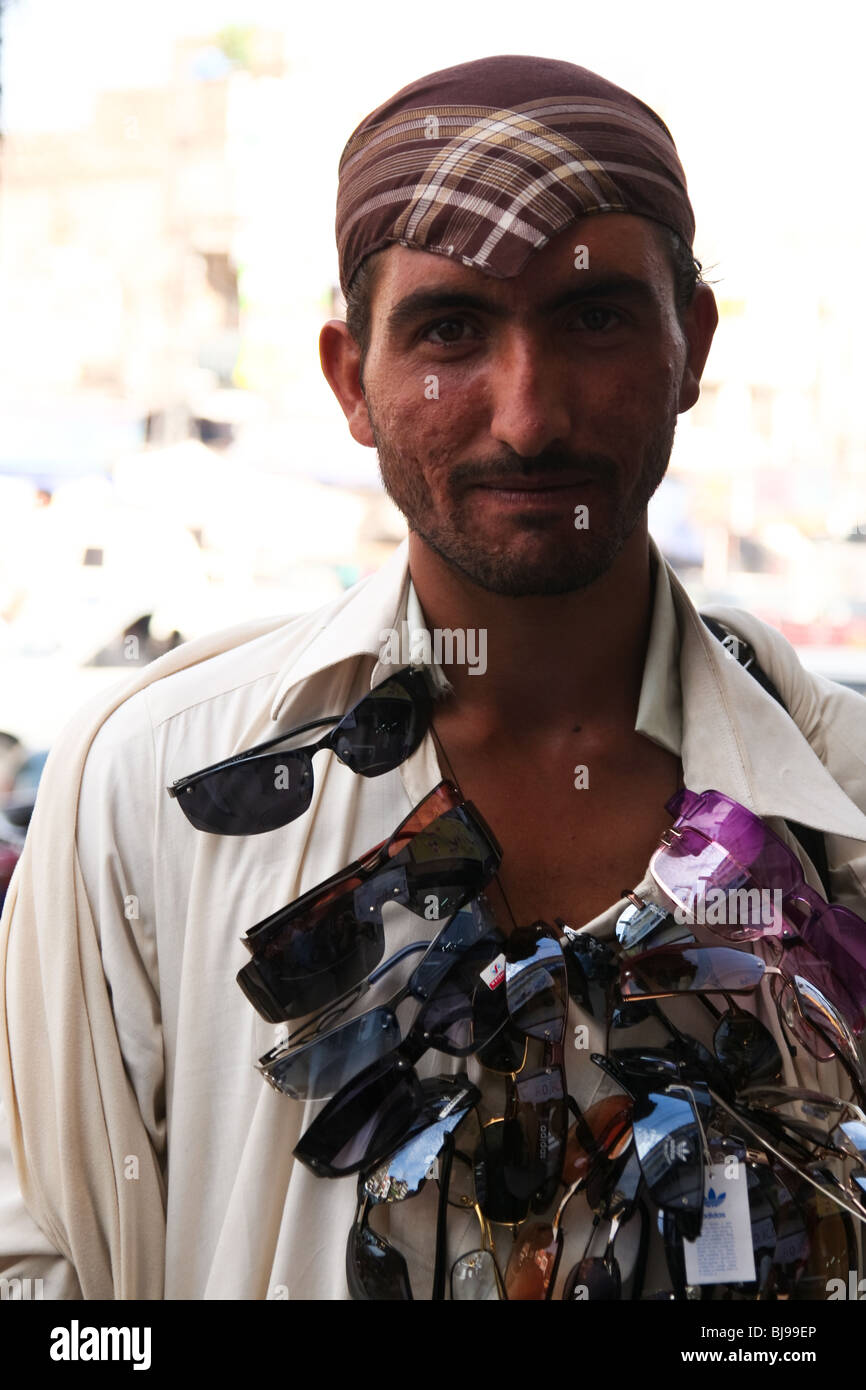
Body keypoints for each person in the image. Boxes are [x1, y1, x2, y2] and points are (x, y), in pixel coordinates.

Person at [2, 53, 866, 1302]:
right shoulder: (149, 789)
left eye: (593, 317)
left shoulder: (835, 798)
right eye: (450, 329)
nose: (526, 417)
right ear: (350, 378)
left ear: (692, 348)